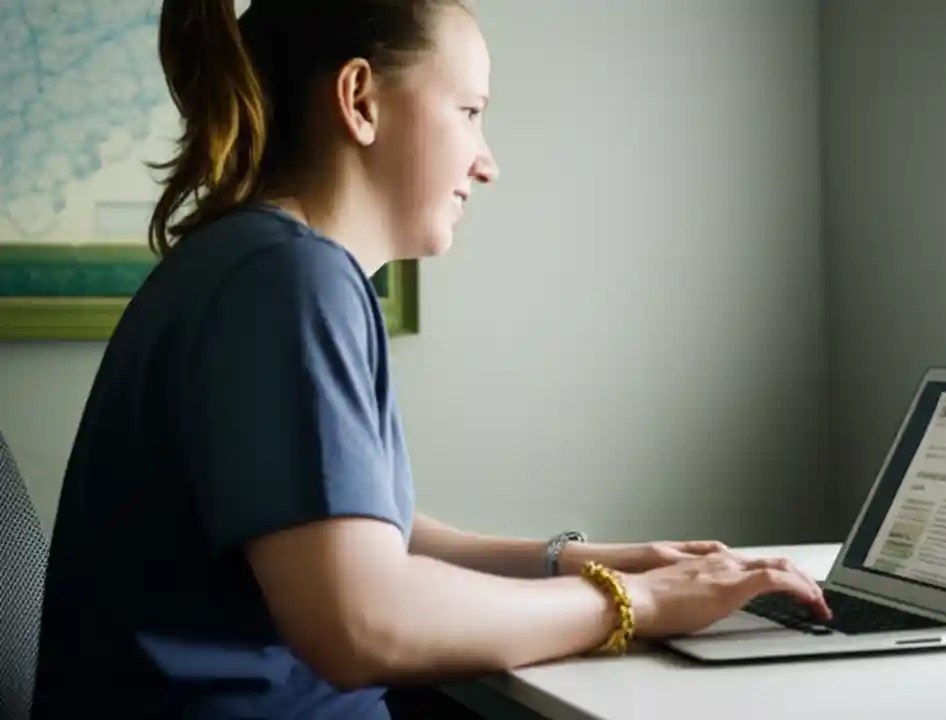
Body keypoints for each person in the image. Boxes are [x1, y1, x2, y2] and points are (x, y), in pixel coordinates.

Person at [31, 1, 831, 717]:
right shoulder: (289, 278)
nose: (487, 161)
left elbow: (352, 535)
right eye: (470, 110)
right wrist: (640, 603)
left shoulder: (249, 262)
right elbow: (361, 621)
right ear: (359, 100)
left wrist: (572, 562)